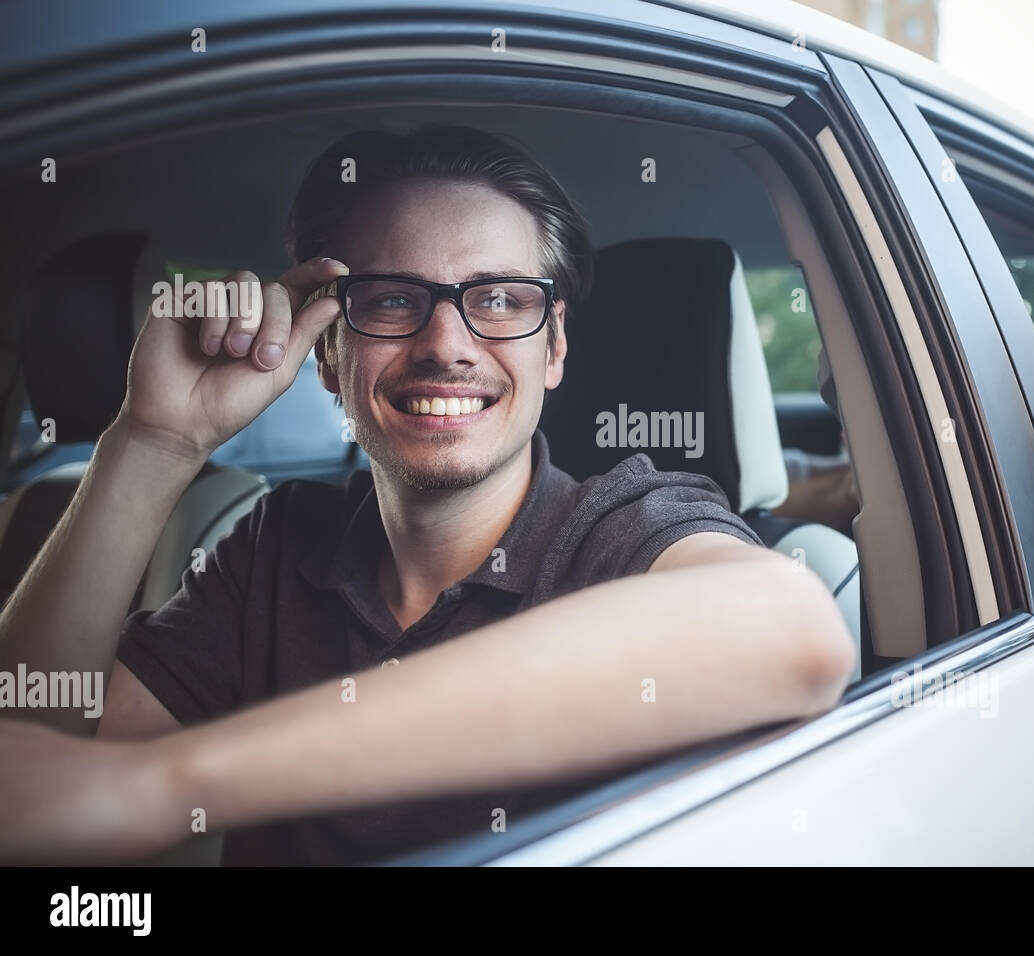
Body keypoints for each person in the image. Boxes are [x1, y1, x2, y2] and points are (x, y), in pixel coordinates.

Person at [0, 125, 855, 865]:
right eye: (393, 300)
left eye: (499, 299)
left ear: (553, 347)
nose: (447, 344)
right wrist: (153, 442)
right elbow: (36, 753)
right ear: (328, 355)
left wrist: (160, 787)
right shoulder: (273, 547)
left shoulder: (624, 529)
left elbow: (795, 631)